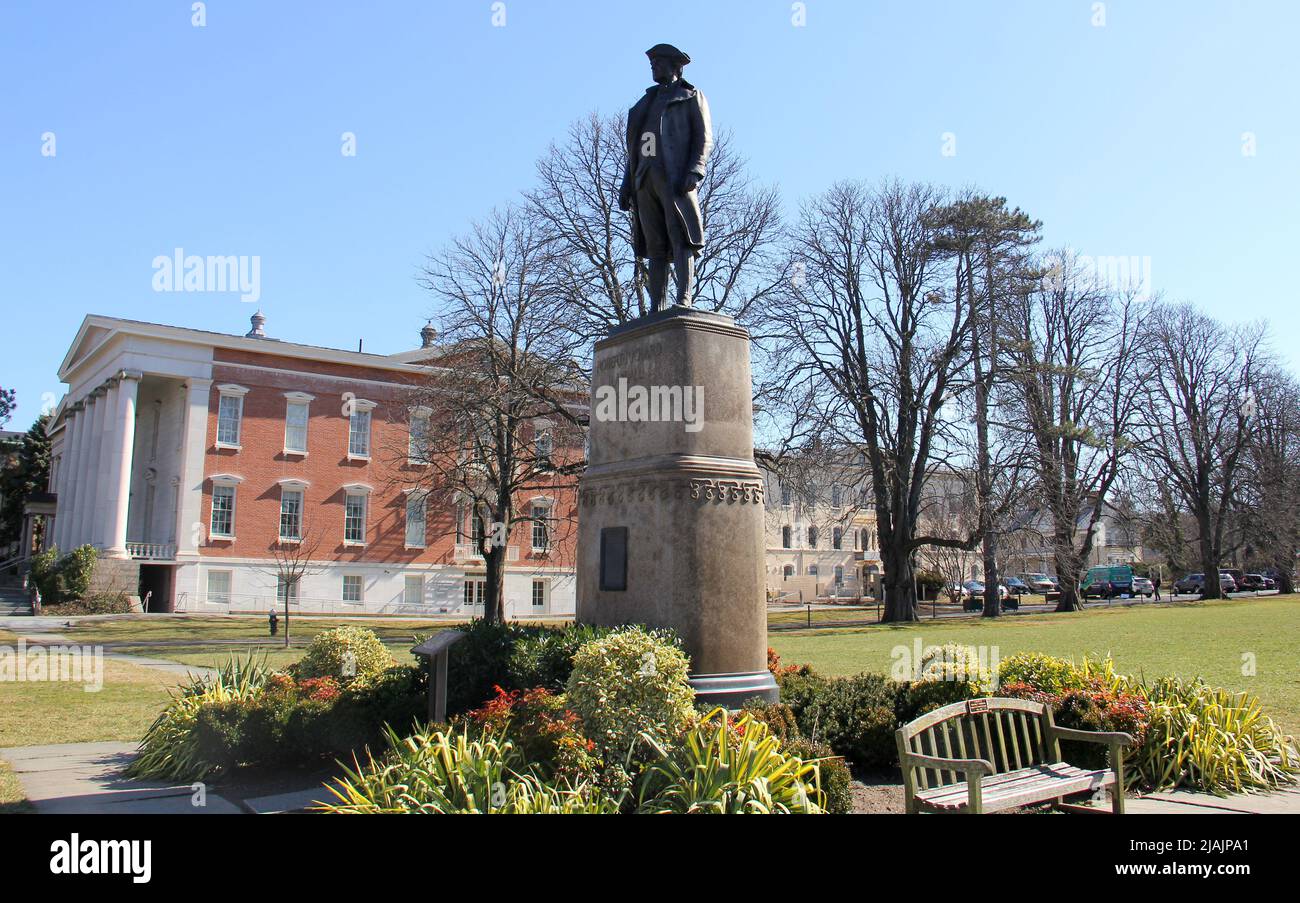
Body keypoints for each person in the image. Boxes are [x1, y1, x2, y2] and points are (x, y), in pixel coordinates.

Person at [619, 43, 713, 312]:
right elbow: (638, 148)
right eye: (652, 63)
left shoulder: (690, 96)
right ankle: (656, 308)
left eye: (658, 63)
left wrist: (696, 169)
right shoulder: (646, 104)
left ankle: (684, 298)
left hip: (674, 176)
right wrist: (628, 183)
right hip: (645, 178)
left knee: (681, 237)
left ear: (675, 66)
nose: (653, 67)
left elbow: (703, 138)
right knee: (655, 244)